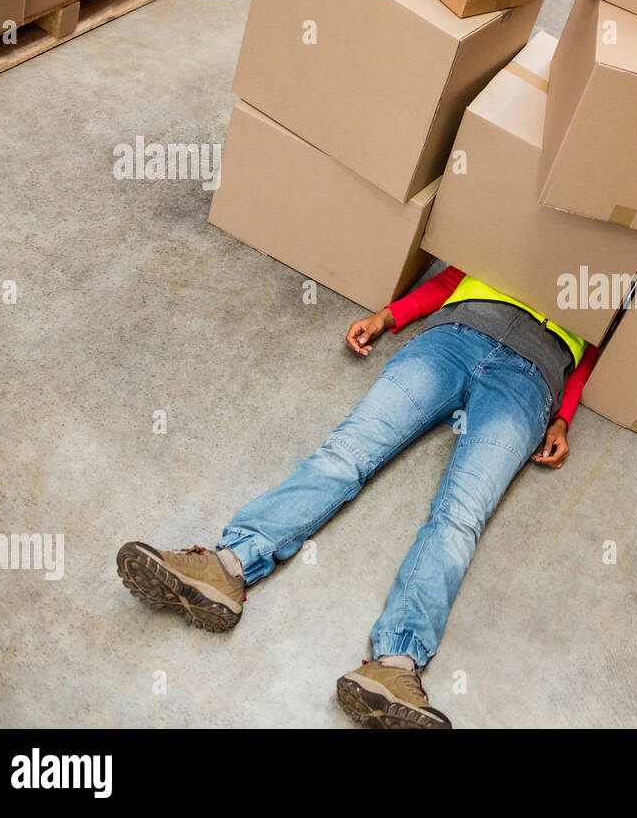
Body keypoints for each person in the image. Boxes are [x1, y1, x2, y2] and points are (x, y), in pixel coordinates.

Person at [116, 266, 597, 729]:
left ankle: (395, 665)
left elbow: (596, 342)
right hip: (455, 336)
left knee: (461, 517)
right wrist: (388, 316)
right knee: (346, 454)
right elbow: (454, 275)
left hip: (530, 378)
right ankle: (226, 566)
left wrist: (564, 415)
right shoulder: (518, 214)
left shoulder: (622, 259)